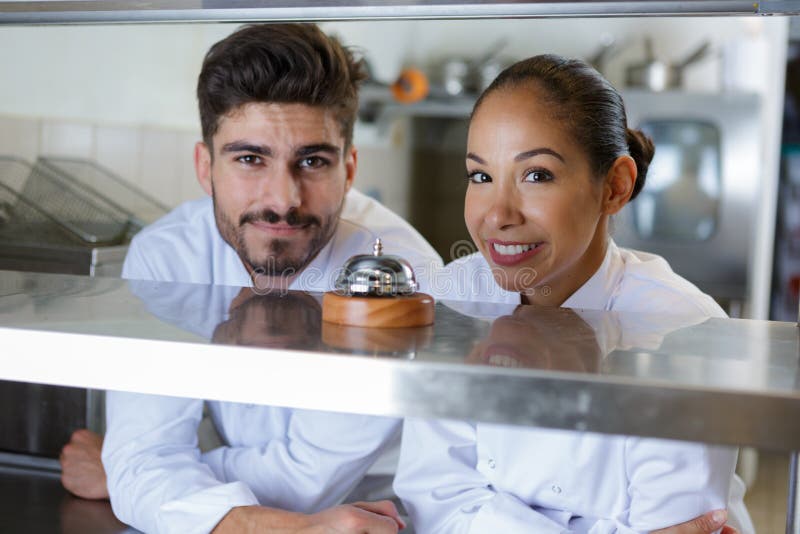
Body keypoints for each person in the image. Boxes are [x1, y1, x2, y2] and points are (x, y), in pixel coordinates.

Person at [72, 22, 442, 534]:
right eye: (250, 159)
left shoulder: (398, 274)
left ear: (350, 169)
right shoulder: (166, 257)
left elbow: (308, 478)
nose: (282, 199)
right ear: (206, 167)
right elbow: (147, 459)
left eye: (312, 161)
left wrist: (136, 478)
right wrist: (139, 472)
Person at [393, 54, 753, 533]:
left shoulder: (682, 327)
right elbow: (434, 503)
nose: (497, 214)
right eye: (481, 176)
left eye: (536, 175)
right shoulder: (458, 295)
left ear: (615, 187)